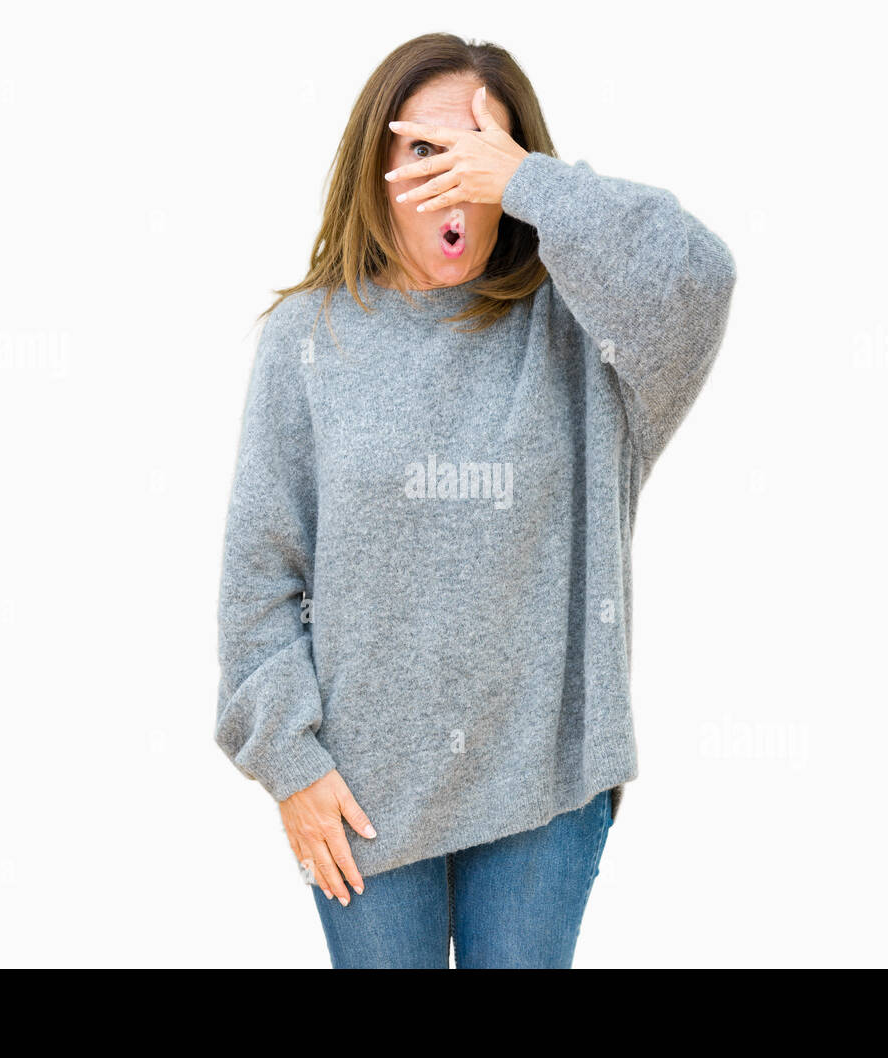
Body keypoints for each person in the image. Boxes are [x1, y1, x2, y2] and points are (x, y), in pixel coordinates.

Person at [216, 32, 737, 968]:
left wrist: (535, 181)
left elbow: (699, 279)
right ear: (376, 168)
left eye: (481, 152)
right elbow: (258, 583)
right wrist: (291, 765)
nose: (458, 179)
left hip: (547, 784)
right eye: (427, 150)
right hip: (360, 793)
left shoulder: (585, 336)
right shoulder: (307, 341)